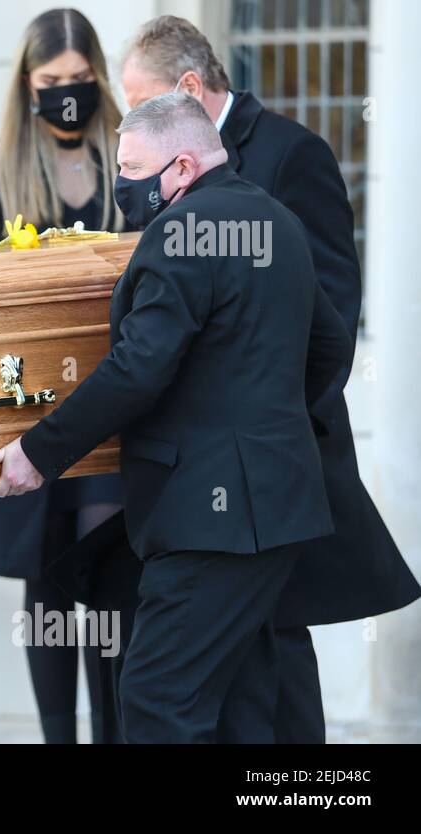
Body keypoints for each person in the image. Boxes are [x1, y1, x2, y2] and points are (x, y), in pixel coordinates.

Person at [0, 92, 352, 743]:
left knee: (156, 699)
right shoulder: (275, 219)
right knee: (245, 703)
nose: (122, 185)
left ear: (181, 167)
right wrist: (274, 440)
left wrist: (39, 452)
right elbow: (328, 348)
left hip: (206, 519)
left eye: (131, 169)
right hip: (278, 507)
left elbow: (137, 368)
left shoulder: (178, 234)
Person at [119, 15, 420, 742]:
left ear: (188, 89)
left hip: (269, 467)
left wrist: (266, 429)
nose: (129, 119)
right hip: (194, 470)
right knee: (234, 671)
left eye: (140, 99)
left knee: (275, 664)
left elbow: (330, 319)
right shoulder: (153, 162)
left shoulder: (292, 154)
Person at [0, 7, 127, 744]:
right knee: (48, 577)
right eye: (52, 81)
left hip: (120, 399)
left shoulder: (131, 156)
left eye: (81, 81)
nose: (67, 94)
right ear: (27, 83)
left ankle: (115, 732)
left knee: (112, 574)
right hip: (31, 406)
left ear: (100, 80)